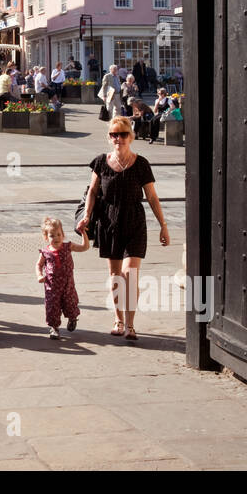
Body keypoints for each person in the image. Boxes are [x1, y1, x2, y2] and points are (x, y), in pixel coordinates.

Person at [74, 116, 171, 342]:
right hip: (109, 223)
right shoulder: (100, 162)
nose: (118, 138)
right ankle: (118, 320)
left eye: (123, 134)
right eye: (114, 134)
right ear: (109, 138)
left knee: (130, 274)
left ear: (131, 136)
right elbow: (92, 192)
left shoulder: (141, 164)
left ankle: (130, 324)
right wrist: (86, 216)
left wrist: (163, 226)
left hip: (135, 222)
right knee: (116, 276)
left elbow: (153, 197)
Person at [36, 216, 87, 339]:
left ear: (63, 234)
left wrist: (83, 233)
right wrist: (39, 275)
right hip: (51, 286)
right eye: (52, 235)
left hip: (67, 284)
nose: (56, 238)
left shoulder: (68, 246)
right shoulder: (45, 252)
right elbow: (39, 264)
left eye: (58, 234)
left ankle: (72, 318)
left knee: (70, 302)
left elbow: (84, 247)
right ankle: (54, 328)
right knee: (52, 306)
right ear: (46, 237)